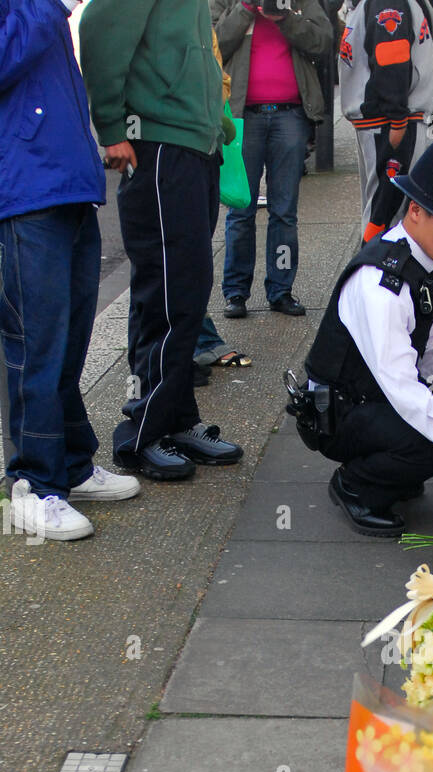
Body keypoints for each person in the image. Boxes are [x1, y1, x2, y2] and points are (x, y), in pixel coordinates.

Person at [300, 134, 433, 538]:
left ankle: (389, 470)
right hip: (337, 414)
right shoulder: (383, 286)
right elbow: (399, 382)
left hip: (366, 395)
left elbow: (431, 350)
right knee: (431, 445)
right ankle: (355, 485)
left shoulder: (417, 258)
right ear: (415, 211)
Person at [80, 0, 243, 482]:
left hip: (190, 145)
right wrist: (112, 128)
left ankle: (175, 419)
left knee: (184, 293)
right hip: (160, 146)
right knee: (168, 295)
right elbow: (99, 26)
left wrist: (216, 123)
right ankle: (143, 431)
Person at [0, 0, 140, 542]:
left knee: (64, 339)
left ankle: (71, 463)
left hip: (64, 182)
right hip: (25, 187)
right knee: (34, 343)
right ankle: (33, 484)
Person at [211, 0, 334, 320]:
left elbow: (323, 41)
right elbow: (214, 43)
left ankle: (281, 290)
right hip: (242, 117)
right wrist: (246, 9)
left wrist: (283, 18)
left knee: (284, 211)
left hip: (289, 116)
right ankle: (236, 291)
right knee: (240, 209)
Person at [339, 0, 433, 244]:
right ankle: (374, 271)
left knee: (386, 203)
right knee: (387, 208)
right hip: (394, 120)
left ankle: (376, 267)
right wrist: (398, 120)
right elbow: (392, 58)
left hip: (389, 117)